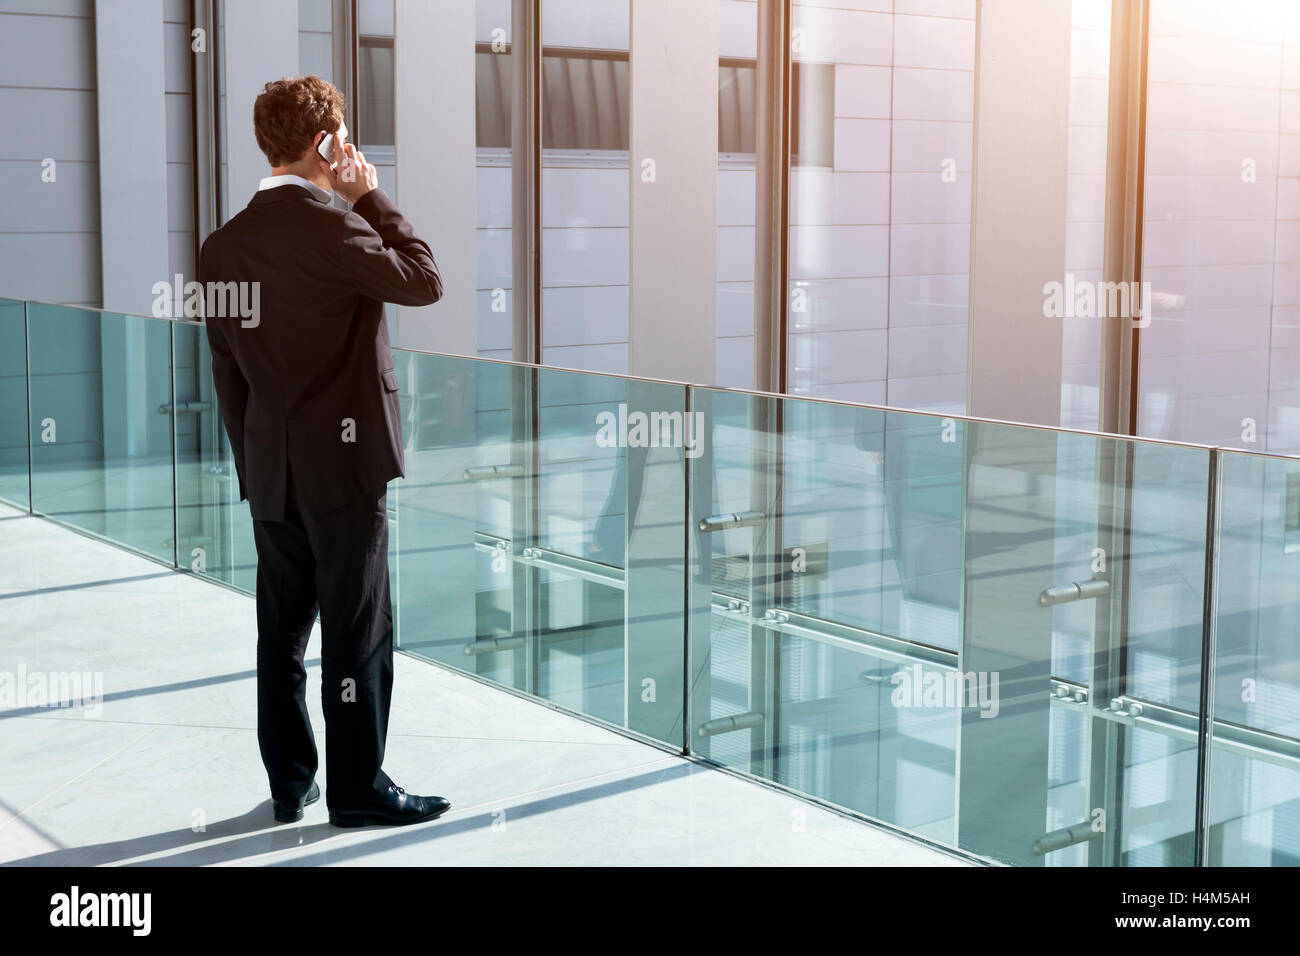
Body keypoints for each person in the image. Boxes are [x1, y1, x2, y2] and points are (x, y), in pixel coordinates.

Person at [198, 76, 449, 828]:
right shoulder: (337, 227)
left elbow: (226, 372)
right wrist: (371, 198)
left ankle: (290, 783)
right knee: (356, 628)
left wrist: (256, 468)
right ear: (327, 144)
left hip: (272, 469)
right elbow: (426, 281)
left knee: (281, 632)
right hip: (343, 469)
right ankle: (358, 790)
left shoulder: (221, 245)